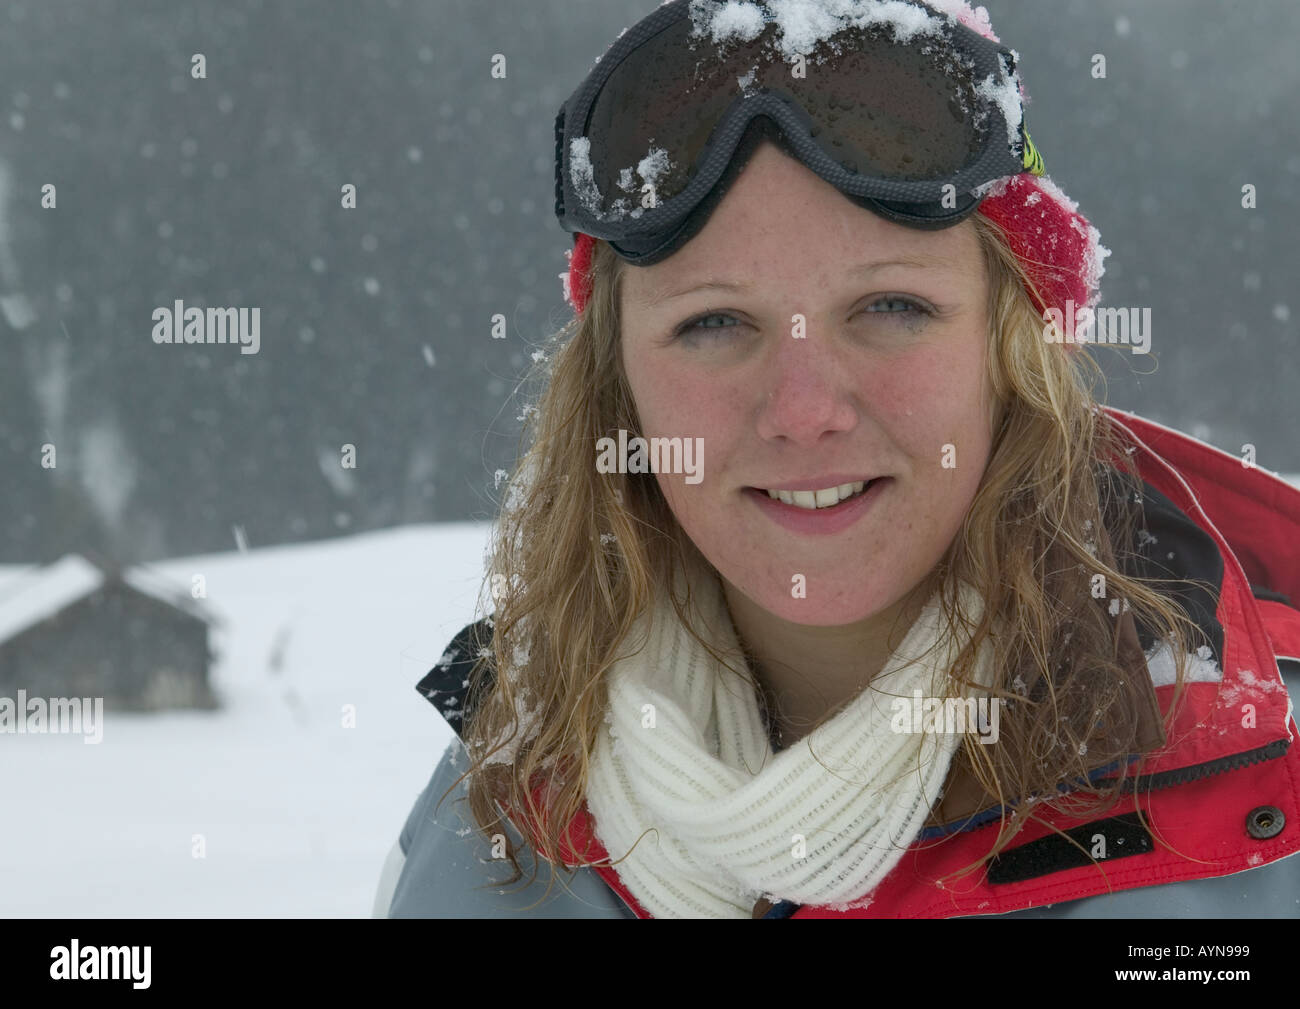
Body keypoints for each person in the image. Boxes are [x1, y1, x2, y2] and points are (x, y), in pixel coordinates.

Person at [376, 0, 1300, 918]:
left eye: (891, 307)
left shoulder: (1264, 793)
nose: (805, 411)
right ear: (618, 387)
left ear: (1014, 346)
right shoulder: (487, 815)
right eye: (714, 322)